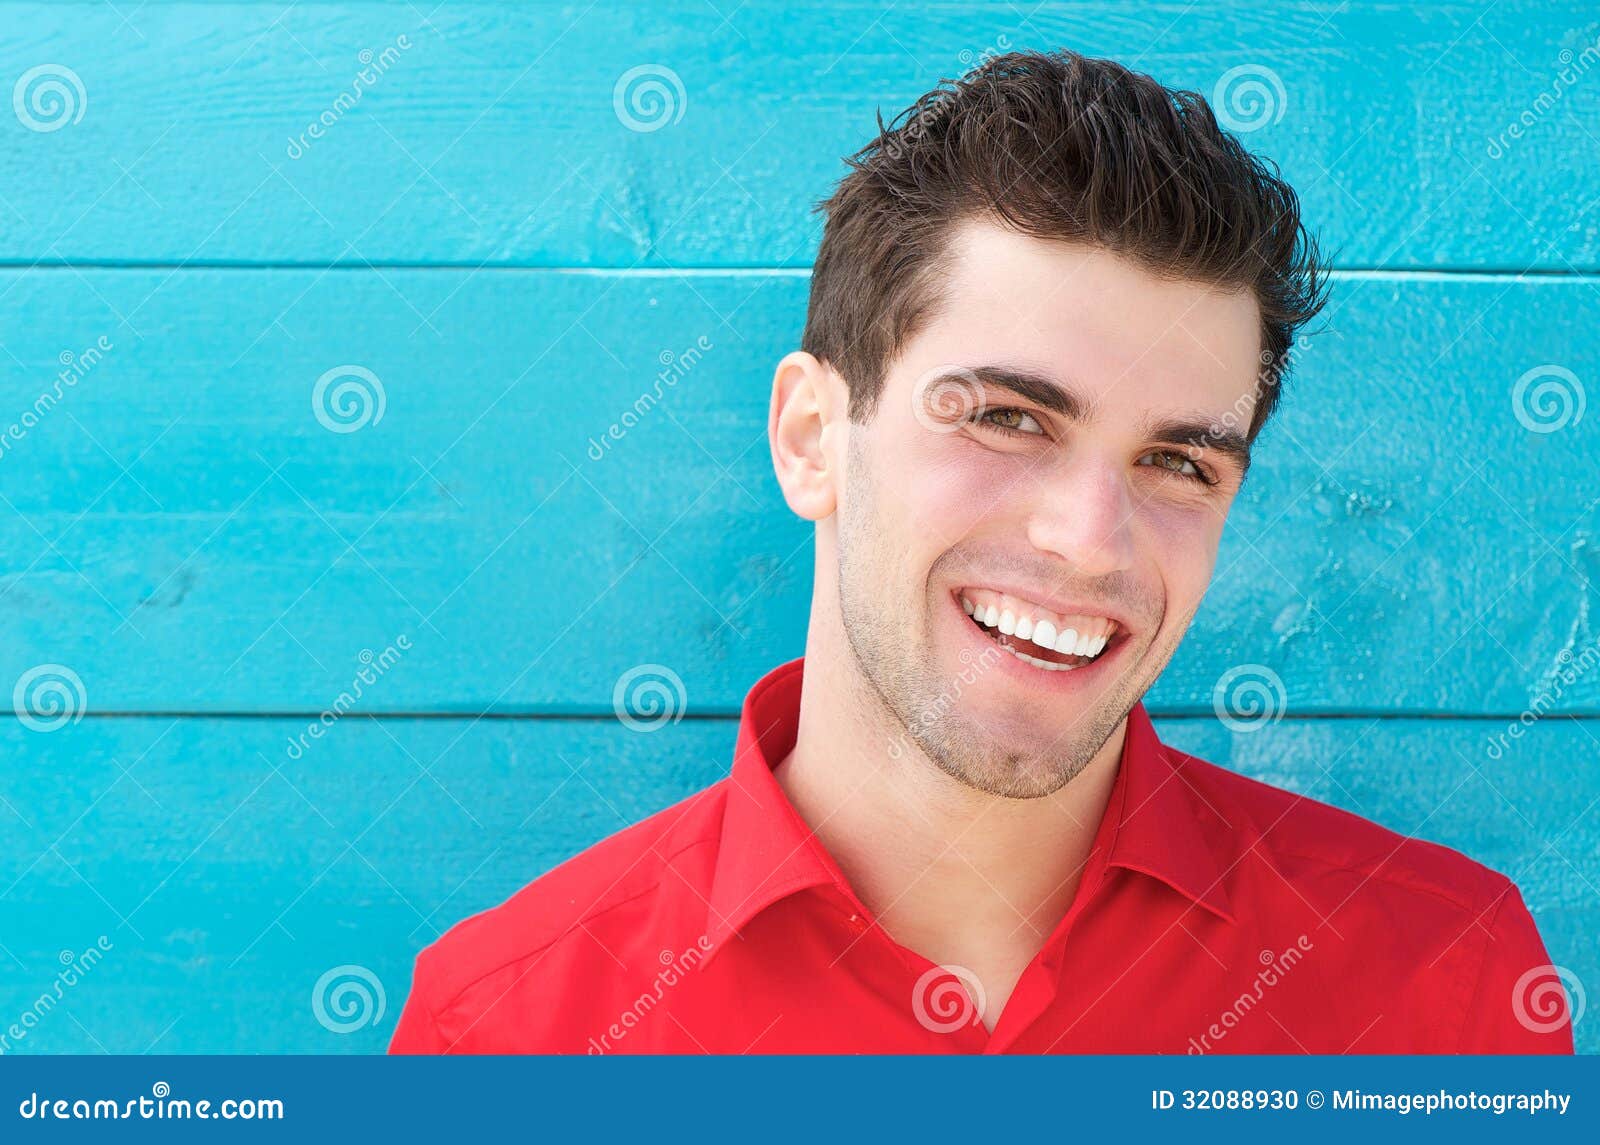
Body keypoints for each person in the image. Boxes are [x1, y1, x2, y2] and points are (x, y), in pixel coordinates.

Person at [390, 48, 1573, 1054]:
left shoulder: (1440, 987)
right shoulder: (506, 1030)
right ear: (813, 439)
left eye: (1178, 462)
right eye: (1008, 418)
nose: (1085, 539)